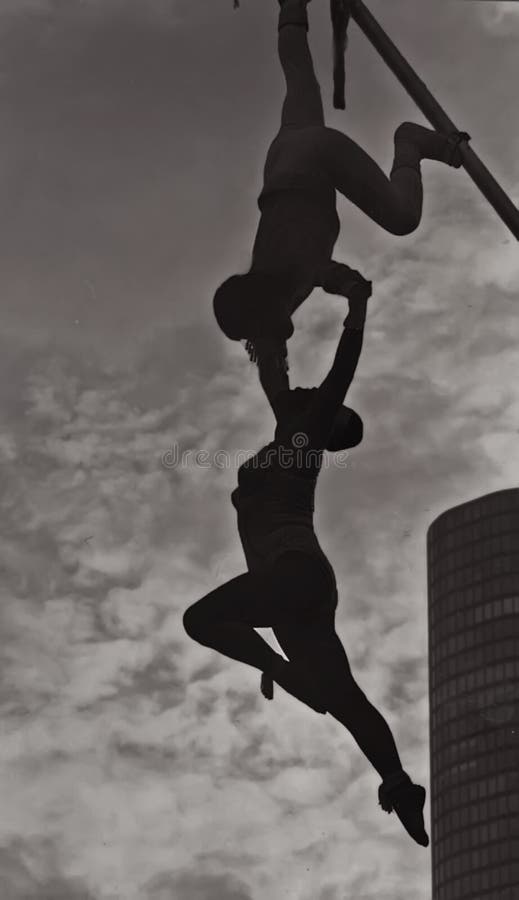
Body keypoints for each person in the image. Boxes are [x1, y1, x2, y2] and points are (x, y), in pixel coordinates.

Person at [183, 291, 429, 847]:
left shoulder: (305, 437)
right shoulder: (288, 435)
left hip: (293, 575)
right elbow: (274, 374)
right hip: (297, 590)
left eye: (324, 401)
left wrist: (358, 309)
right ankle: (399, 782)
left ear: (331, 424)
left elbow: (341, 372)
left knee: (199, 621)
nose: (313, 393)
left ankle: (288, 673)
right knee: (343, 699)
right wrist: (266, 337)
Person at [213, 0, 468, 347]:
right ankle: (291, 6)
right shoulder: (268, 268)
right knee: (300, 78)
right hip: (282, 157)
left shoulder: (291, 275)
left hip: (312, 164)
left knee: (403, 218)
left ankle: (411, 143)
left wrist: (354, 295)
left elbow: (330, 276)